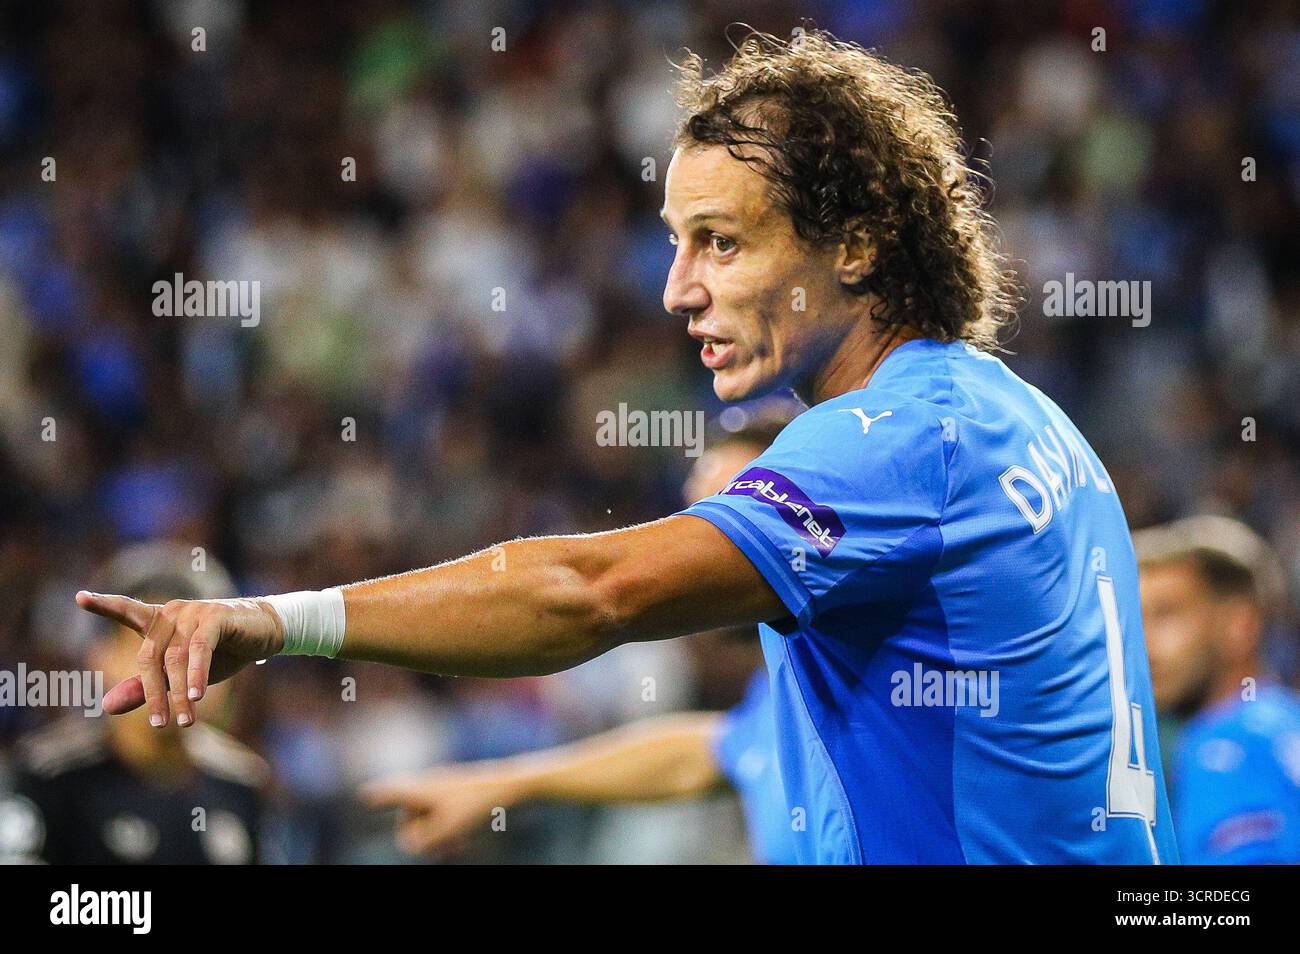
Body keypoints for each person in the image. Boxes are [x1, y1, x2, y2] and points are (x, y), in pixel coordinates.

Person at [74, 30, 1176, 863]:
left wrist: (276, 623)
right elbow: (732, 743)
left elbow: (588, 592)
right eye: (674, 243)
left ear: (857, 243)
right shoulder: (1022, 423)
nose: (678, 290)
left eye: (721, 243)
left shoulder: (894, 443)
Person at [363, 419, 797, 864]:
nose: (703, 553)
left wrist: (308, 620)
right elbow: (710, 752)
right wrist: (507, 781)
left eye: (735, 524)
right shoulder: (785, 694)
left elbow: (585, 591)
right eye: (698, 519)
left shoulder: (864, 655)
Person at [4, 543, 267, 864]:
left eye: (202, 649)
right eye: (153, 647)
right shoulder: (52, 779)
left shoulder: (242, 785)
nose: (176, 668)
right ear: (102, 657)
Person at [1136, 516, 1300, 863]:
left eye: (1167, 615)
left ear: (1239, 626)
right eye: (1139, 620)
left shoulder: (1226, 746)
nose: (1144, 643)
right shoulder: (1281, 722)